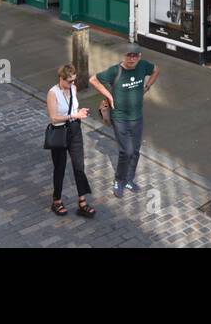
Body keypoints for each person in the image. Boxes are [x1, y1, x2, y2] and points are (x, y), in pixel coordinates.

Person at [89, 45, 160, 197]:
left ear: (139, 56)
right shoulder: (115, 71)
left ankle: (129, 179)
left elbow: (156, 70)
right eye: (129, 55)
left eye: (135, 56)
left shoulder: (143, 66)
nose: (132, 59)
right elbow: (93, 80)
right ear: (124, 56)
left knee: (135, 151)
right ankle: (118, 180)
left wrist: (147, 87)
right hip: (120, 118)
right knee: (126, 151)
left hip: (137, 117)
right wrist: (109, 96)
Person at [46, 64, 95, 218]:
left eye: (74, 81)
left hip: (74, 130)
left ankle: (82, 202)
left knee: (79, 166)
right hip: (60, 132)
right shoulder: (52, 93)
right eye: (69, 81)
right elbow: (53, 119)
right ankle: (57, 200)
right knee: (59, 168)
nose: (72, 84)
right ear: (61, 78)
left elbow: (72, 109)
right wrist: (74, 116)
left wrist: (79, 112)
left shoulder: (73, 89)